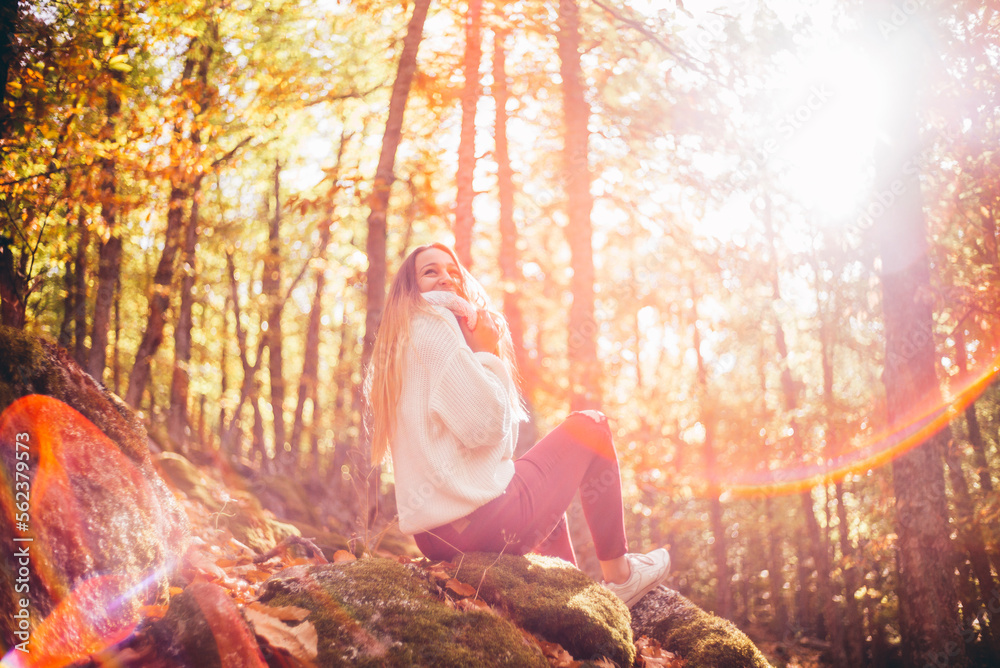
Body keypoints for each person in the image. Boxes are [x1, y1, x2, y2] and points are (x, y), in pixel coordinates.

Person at [365, 242, 670, 607]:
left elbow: (489, 451)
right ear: (410, 289)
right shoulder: (433, 325)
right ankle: (621, 577)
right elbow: (489, 429)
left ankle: (572, 602)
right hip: (472, 526)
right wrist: (488, 353)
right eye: (431, 271)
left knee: (546, 506)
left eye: (453, 272)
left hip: (434, 537)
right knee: (591, 427)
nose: (446, 279)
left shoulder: (402, 341)